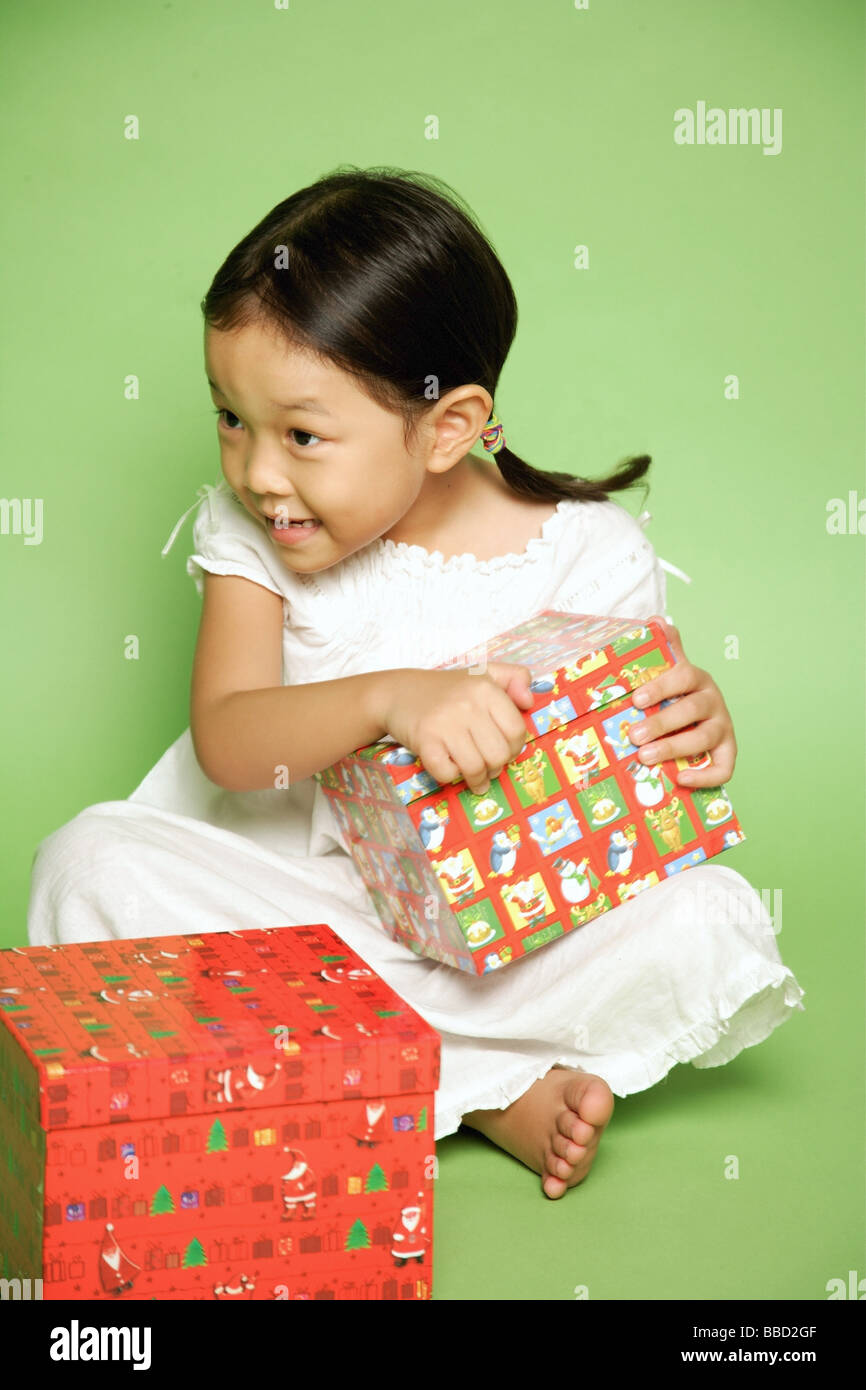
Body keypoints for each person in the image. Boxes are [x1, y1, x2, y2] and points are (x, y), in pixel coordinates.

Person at [27, 165, 804, 1200]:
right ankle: (480, 1084)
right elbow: (228, 737)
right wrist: (388, 698)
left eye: (301, 434)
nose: (258, 471)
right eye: (228, 417)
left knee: (706, 915)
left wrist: (694, 730)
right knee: (89, 863)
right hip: (293, 913)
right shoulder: (252, 532)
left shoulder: (587, 552)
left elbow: (622, 795)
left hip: (505, 934)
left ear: (444, 427)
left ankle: (394, 1067)